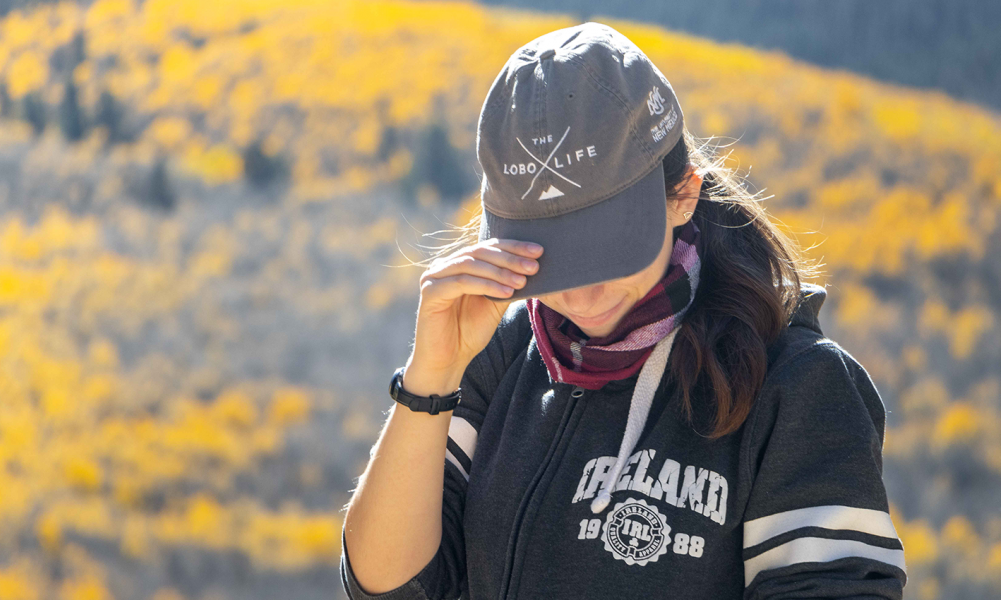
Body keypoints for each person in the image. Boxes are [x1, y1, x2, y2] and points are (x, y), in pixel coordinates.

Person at [340, 21, 907, 600]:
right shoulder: (499, 354)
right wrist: (431, 376)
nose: (582, 299)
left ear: (683, 194)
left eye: (607, 255)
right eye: (550, 263)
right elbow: (390, 588)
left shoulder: (798, 386)